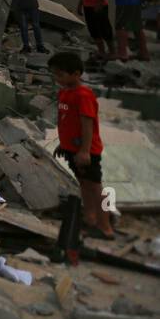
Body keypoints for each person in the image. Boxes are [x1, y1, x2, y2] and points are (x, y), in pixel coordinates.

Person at [49, 51, 113, 240]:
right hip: (72, 149)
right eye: (55, 74)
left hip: (86, 151)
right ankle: (91, 219)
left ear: (75, 74)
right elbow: (67, 121)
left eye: (60, 74)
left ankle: (105, 227)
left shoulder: (83, 95)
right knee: (84, 185)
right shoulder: (65, 93)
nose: (57, 78)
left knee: (96, 187)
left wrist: (84, 150)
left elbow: (87, 124)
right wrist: (64, 144)